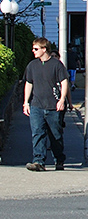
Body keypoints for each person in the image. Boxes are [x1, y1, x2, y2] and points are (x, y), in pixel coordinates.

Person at [23, 38, 69, 171]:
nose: (33, 51)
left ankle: (59, 159)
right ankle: (38, 161)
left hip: (53, 106)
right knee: (37, 133)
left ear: (44, 49)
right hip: (36, 105)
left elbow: (64, 82)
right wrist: (26, 102)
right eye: (33, 49)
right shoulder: (32, 66)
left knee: (55, 135)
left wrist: (62, 100)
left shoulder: (56, 65)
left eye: (36, 49)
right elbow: (29, 83)